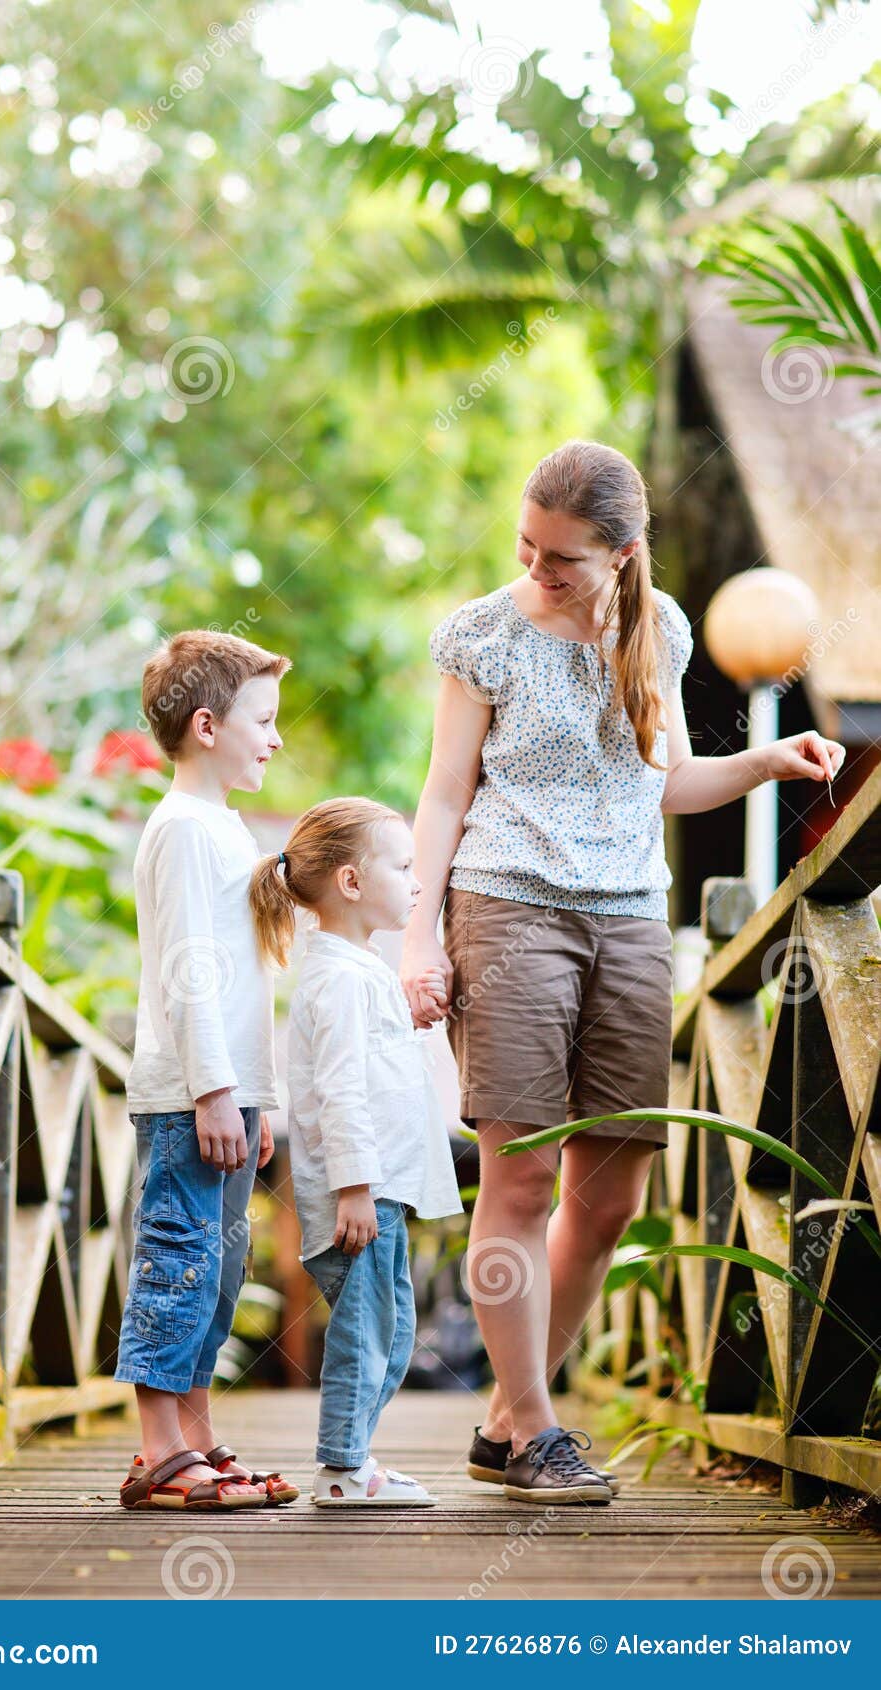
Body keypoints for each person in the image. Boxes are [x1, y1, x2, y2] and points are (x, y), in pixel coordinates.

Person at [400, 438, 846, 1506]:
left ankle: (508, 1420)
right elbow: (440, 795)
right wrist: (418, 935)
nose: (538, 570)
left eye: (562, 557)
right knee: (519, 1180)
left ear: (622, 553)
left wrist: (765, 765)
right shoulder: (481, 633)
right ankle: (538, 1432)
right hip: (506, 906)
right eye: (527, 546)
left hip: (630, 918)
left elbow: (664, 780)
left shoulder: (660, 626)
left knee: (608, 1197)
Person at [116, 628, 300, 1512]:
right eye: (261, 721)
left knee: (219, 1271)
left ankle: (194, 1435)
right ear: (204, 726)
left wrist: (257, 1100)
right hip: (191, 1096)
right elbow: (188, 972)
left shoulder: (222, 828)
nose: (273, 737)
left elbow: (243, 976)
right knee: (179, 1259)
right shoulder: (185, 830)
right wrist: (215, 1093)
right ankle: (158, 1451)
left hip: (227, 1095)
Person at [250, 797, 463, 1506]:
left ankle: (356, 1460)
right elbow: (339, 1090)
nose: (416, 881)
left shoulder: (355, 967)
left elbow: (369, 1056)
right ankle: (341, 1468)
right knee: (368, 1332)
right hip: (359, 1196)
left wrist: (405, 1013)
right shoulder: (338, 977)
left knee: (393, 1330)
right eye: (401, 867)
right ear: (349, 882)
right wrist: (353, 1188)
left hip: (381, 1190)